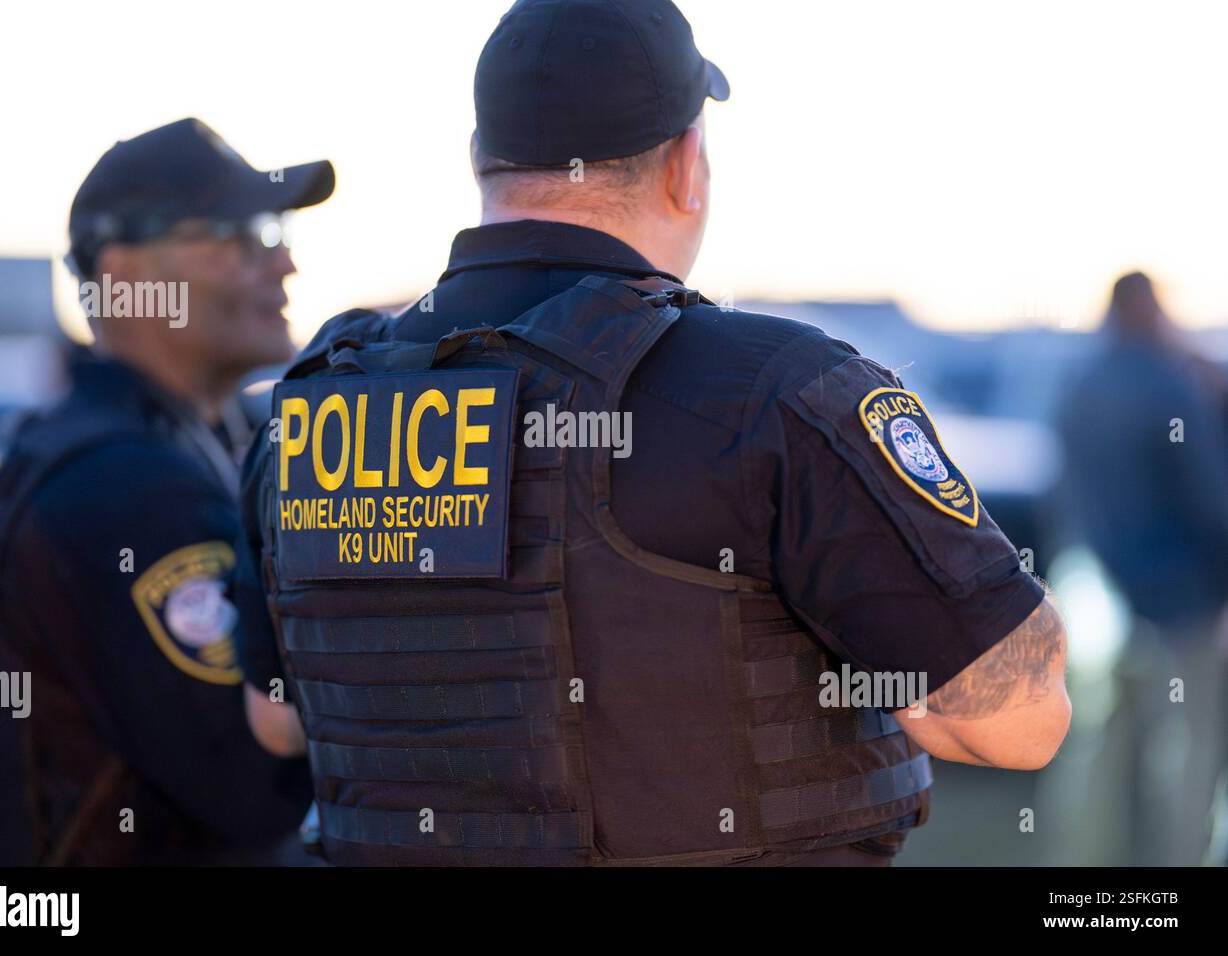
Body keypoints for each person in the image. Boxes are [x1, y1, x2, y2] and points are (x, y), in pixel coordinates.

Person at [239, 0, 1071, 867]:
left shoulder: (313, 407)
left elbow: (277, 717)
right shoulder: (770, 392)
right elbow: (1018, 718)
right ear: (687, 164)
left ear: (480, 161)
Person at [0, 118, 330, 865]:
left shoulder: (106, 436)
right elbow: (257, 786)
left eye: (275, 228)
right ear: (126, 278)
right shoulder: (125, 483)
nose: (282, 259)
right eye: (238, 234)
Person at [1057, 271, 1228, 864]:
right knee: (1185, 745)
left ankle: (1081, 868)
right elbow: (1210, 500)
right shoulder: (1171, 387)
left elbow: (1066, 492)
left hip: (1093, 592)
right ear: (1153, 311)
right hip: (1181, 597)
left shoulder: (1079, 386)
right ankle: (1178, 868)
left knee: (1094, 742)